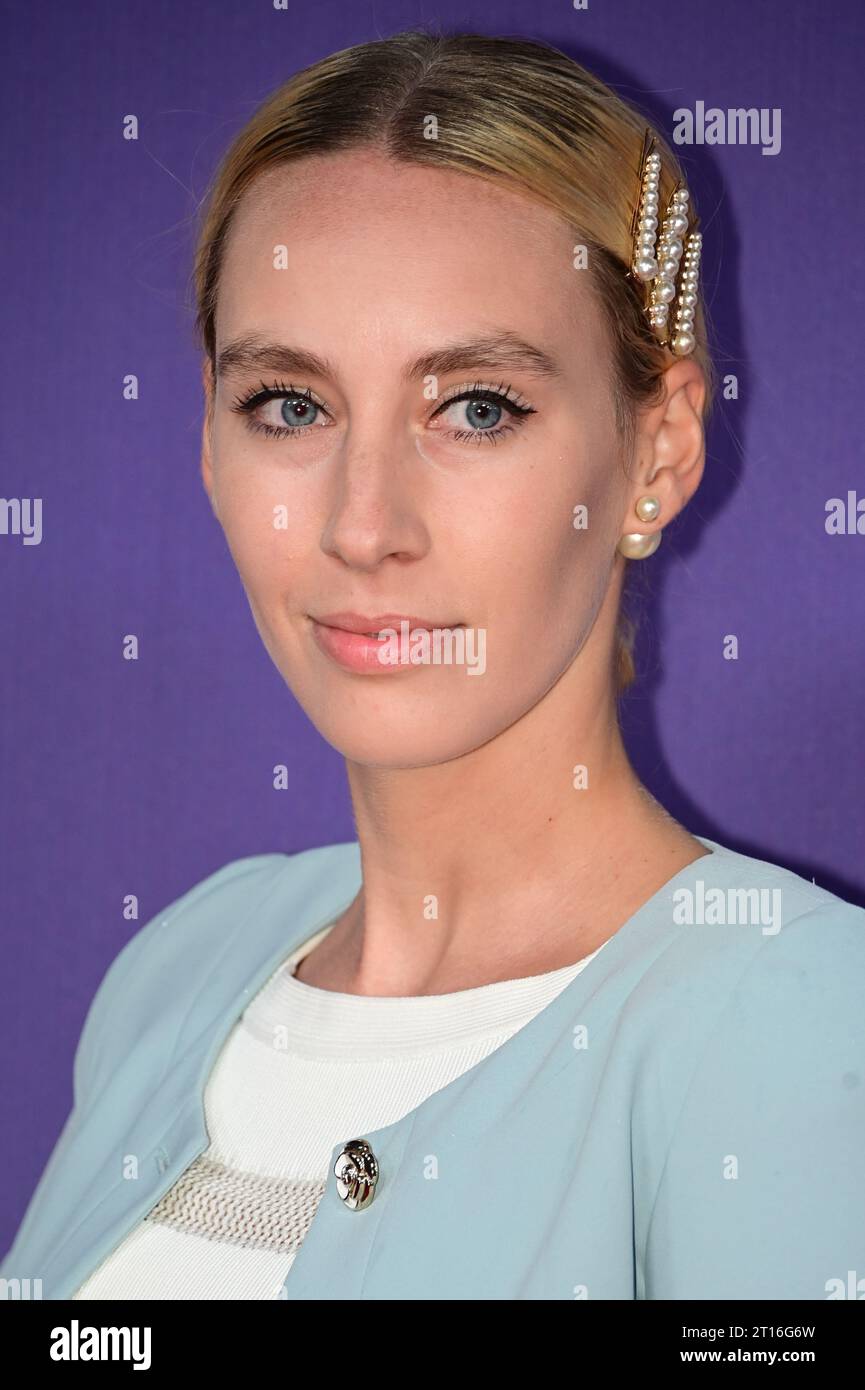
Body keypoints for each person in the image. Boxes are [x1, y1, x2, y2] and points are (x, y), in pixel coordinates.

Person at [2, 28, 863, 1302]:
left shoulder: (792, 1018)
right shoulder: (181, 961)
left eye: (476, 407)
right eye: (289, 404)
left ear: (658, 453)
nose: (362, 525)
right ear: (205, 437)